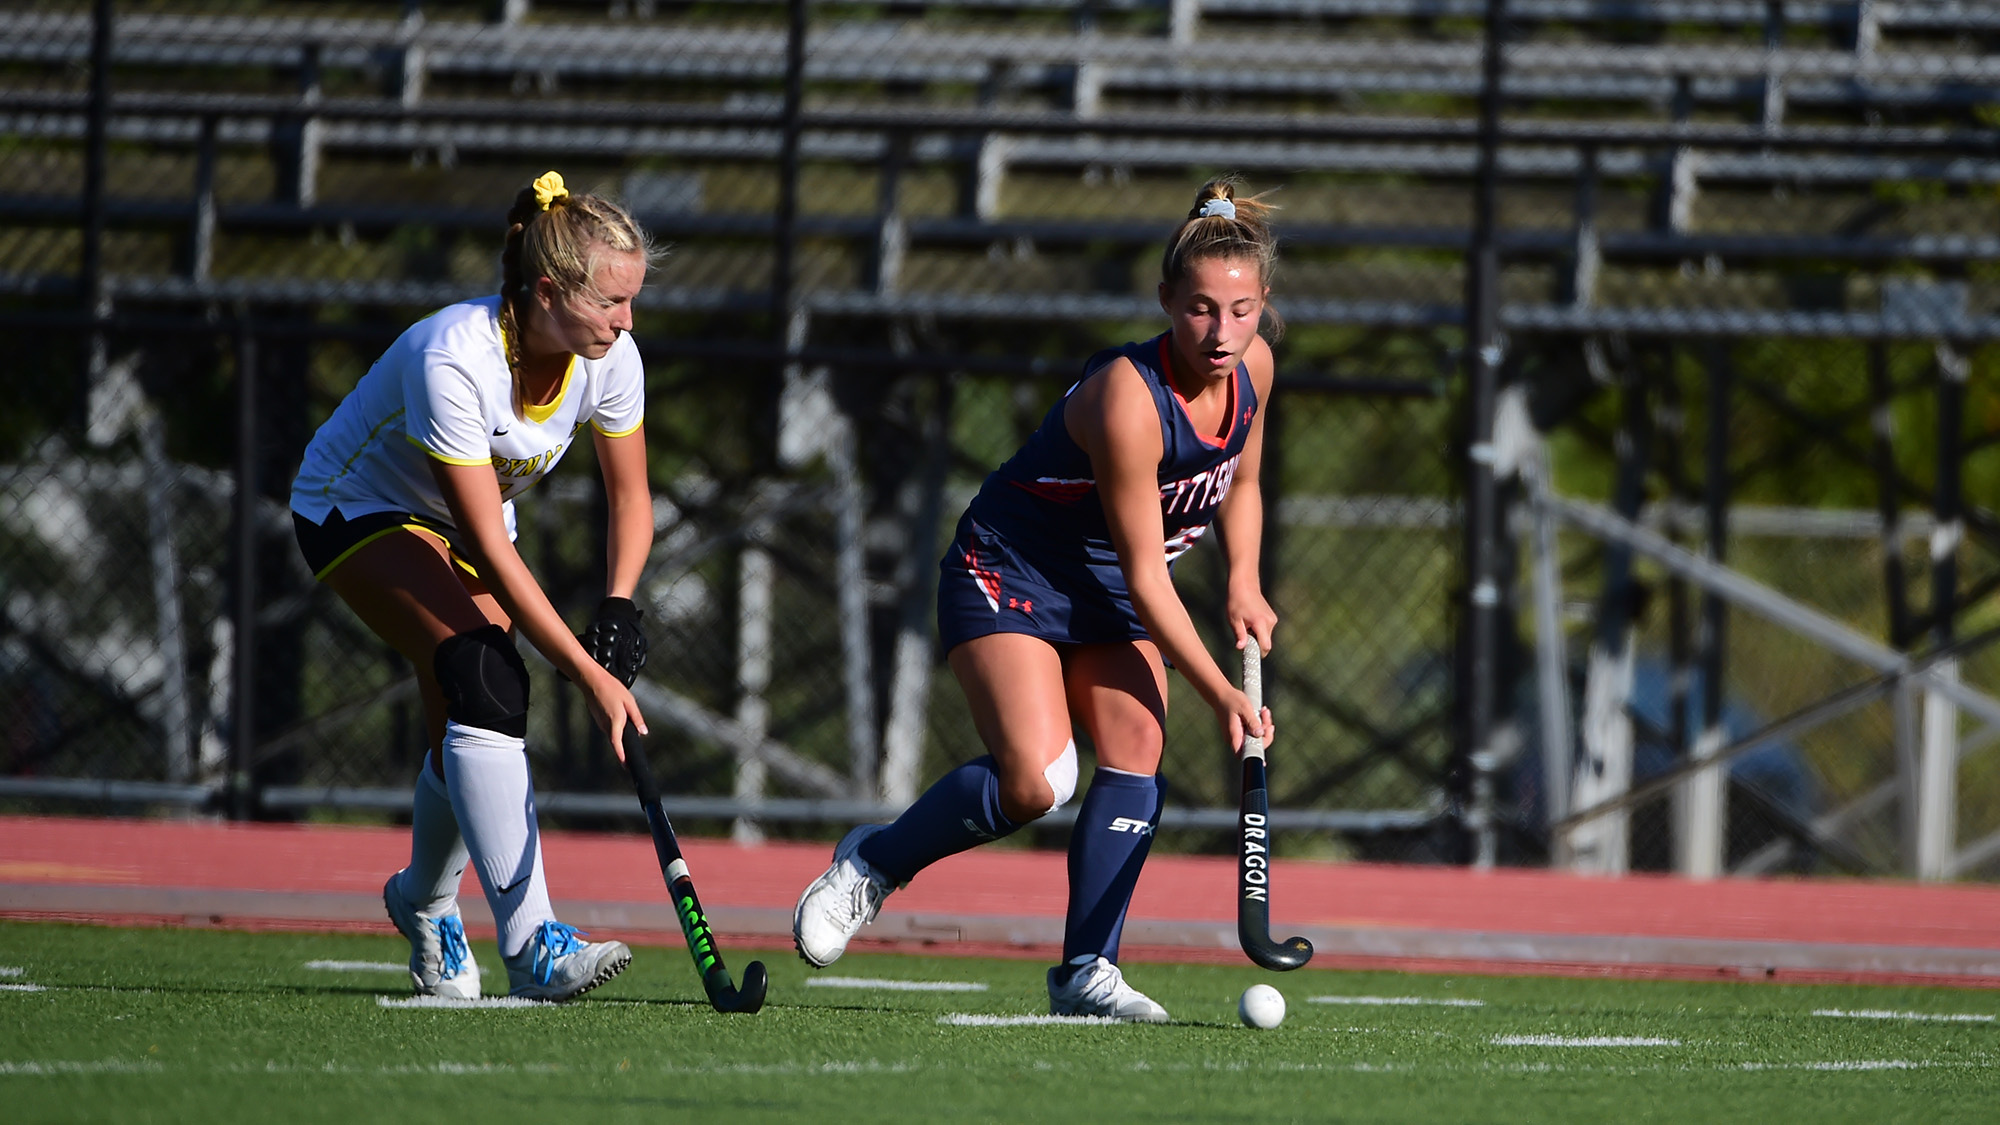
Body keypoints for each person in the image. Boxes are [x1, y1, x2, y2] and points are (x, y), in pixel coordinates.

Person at [792, 179, 1281, 1021]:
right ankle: (875, 862)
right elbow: (1146, 576)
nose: (1221, 332)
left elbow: (1242, 479)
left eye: (1240, 310)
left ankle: (1087, 969)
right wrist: (1223, 692)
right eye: (1201, 309)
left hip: (1111, 583)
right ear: (1166, 300)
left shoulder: (1256, 368)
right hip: (1017, 566)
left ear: (1262, 304)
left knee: (1135, 746)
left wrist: (1243, 578)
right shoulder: (1130, 399)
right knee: (1037, 781)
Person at [290, 171, 657, 1002]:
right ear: (548, 291)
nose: (627, 321)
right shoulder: (454, 357)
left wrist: (621, 602)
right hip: (358, 505)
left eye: (633, 301)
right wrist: (588, 676)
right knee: (489, 678)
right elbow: (491, 548)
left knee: (467, 710)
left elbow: (632, 496)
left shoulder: (610, 358)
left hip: (461, 525)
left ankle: (422, 899)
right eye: (611, 302)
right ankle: (532, 946)